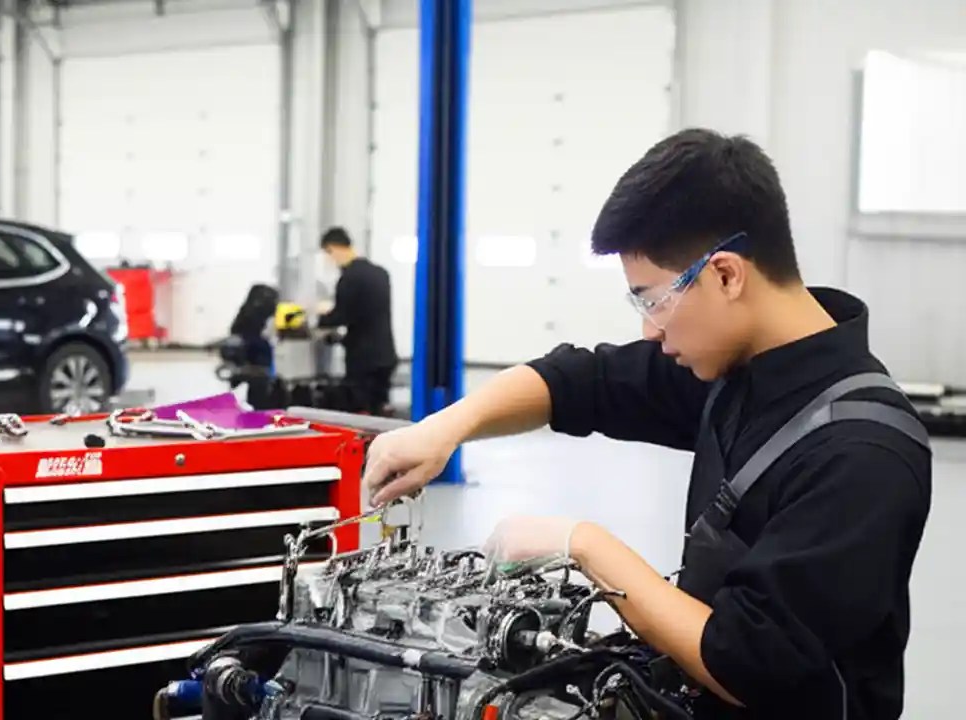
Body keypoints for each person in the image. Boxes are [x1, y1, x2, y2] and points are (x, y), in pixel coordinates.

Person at [361, 129, 931, 720]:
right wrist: (446, 427)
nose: (650, 333)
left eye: (652, 300)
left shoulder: (862, 451)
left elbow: (749, 662)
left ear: (727, 275)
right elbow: (578, 381)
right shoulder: (736, 368)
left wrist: (584, 545)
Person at [317, 227, 398, 415]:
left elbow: (342, 316)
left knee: (359, 412)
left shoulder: (349, 278)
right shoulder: (380, 273)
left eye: (328, 255)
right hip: (385, 355)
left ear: (333, 249)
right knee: (379, 410)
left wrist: (318, 318)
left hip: (363, 359)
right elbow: (367, 314)